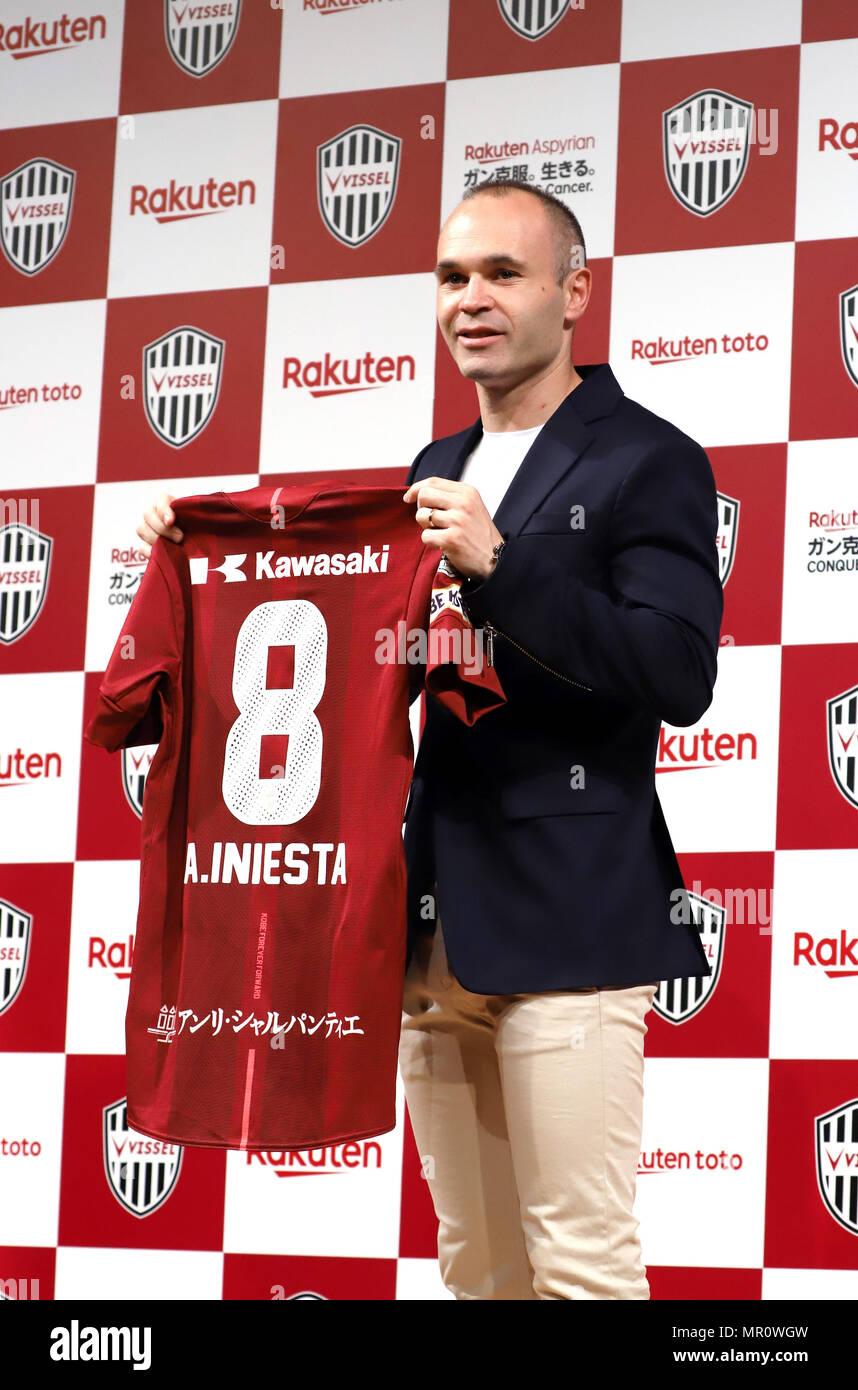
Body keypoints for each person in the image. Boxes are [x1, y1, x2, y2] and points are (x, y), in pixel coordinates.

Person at [136, 179, 724, 1301]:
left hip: (573, 920)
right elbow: (347, 654)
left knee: (583, 1266)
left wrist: (505, 565)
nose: (472, 298)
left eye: (504, 272)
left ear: (575, 293)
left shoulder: (649, 457)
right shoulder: (431, 462)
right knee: (480, 1270)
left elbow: (676, 672)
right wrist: (202, 560)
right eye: (453, 276)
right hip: (430, 927)